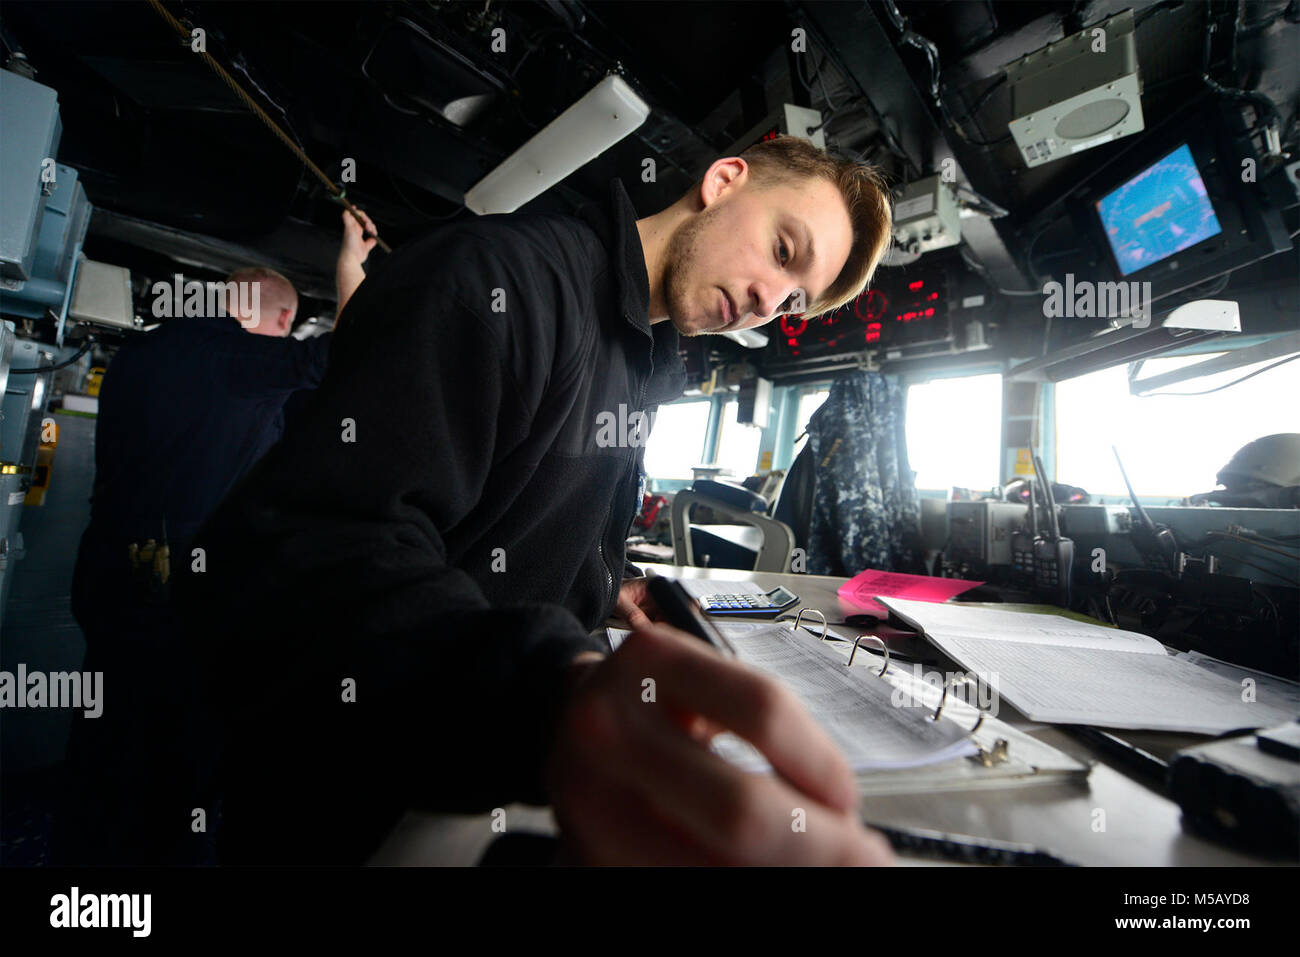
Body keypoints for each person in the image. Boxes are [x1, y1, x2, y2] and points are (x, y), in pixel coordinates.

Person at [175, 136, 896, 865]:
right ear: (723, 180)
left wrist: (607, 584)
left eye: (795, 301)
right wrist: (553, 698)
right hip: (356, 798)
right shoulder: (500, 280)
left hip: (498, 777)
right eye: (782, 249)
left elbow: (517, 518)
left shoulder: (642, 356)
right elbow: (305, 551)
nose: (769, 303)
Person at [53, 208, 379, 864]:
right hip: (178, 600)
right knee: (180, 768)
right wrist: (353, 271)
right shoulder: (233, 359)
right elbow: (346, 351)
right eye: (286, 324)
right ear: (275, 318)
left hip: (110, 578)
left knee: (105, 742)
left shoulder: (140, 357)